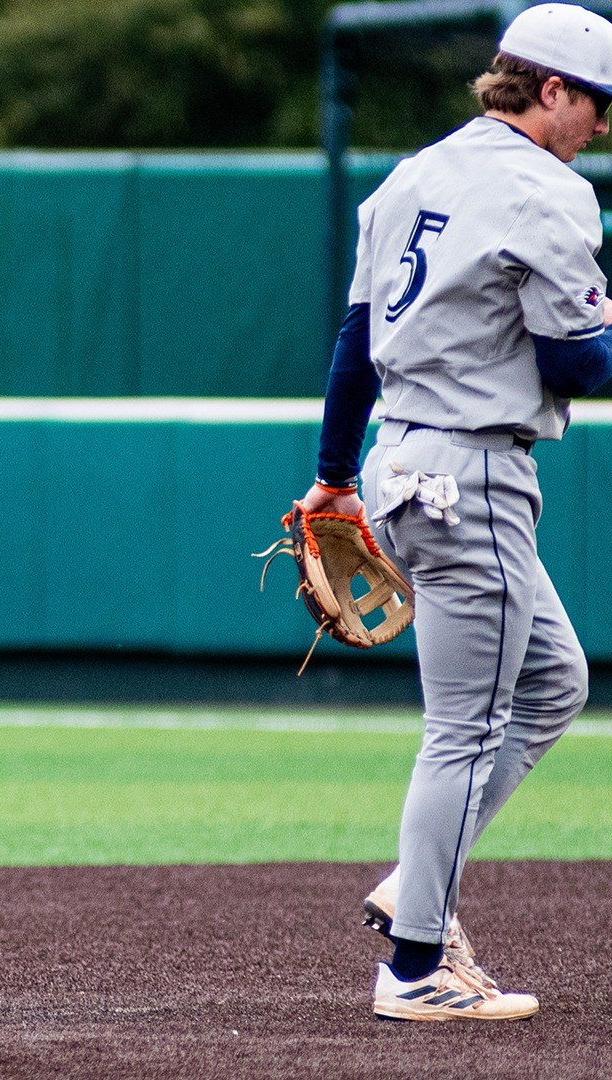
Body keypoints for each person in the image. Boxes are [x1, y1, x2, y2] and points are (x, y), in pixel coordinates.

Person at [300, 2, 612, 1023]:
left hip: (400, 459)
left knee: (555, 679)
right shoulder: (552, 193)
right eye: (596, 104)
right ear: (551, 88)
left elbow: (354, 341)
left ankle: (414, 886)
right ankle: (416, 966)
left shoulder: (414, 174)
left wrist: (333, 475)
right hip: (473, 472)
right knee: (467, 729)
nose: (601, 126)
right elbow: (576, 362)